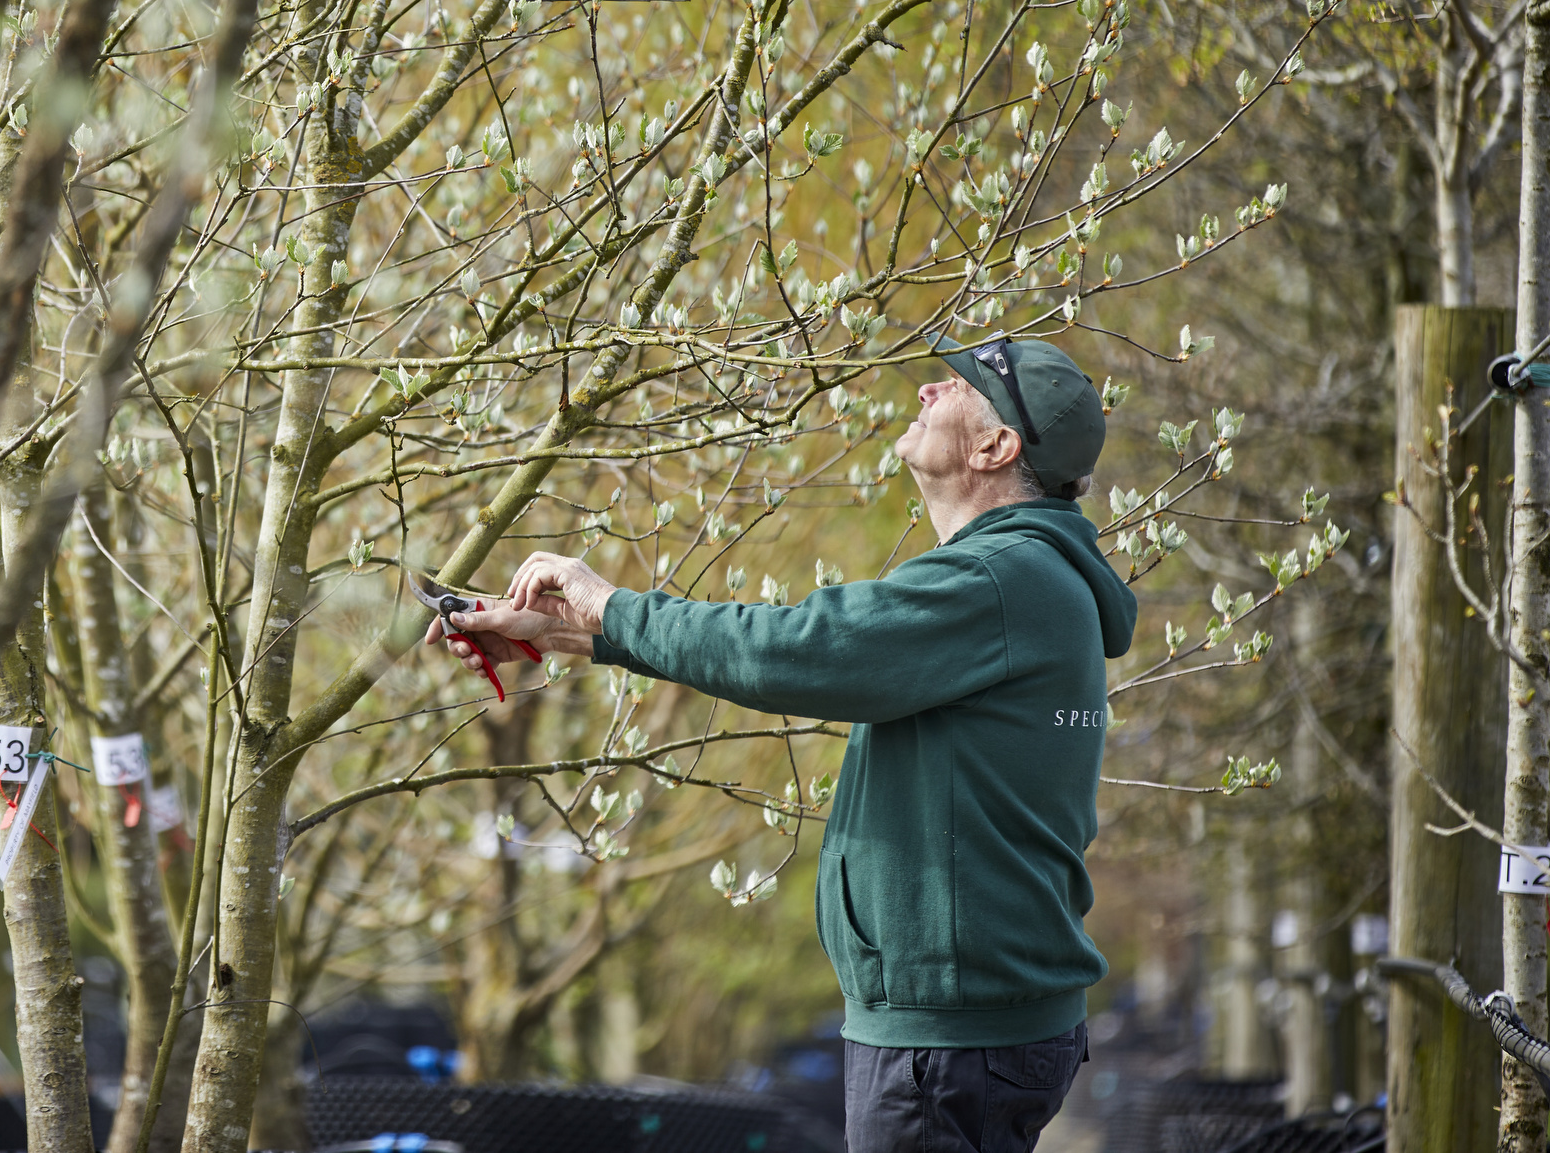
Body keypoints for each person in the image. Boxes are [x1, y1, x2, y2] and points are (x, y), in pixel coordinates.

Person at [438, 336, 1135, 1153]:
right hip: (963, 1029)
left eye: (954, 389)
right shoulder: (1015, 580)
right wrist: (568, 636)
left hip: (949, 1042)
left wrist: (606, 604)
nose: (922, 391)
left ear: (995, 446)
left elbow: (794, 649)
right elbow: (815, 655)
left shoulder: (999, 579)